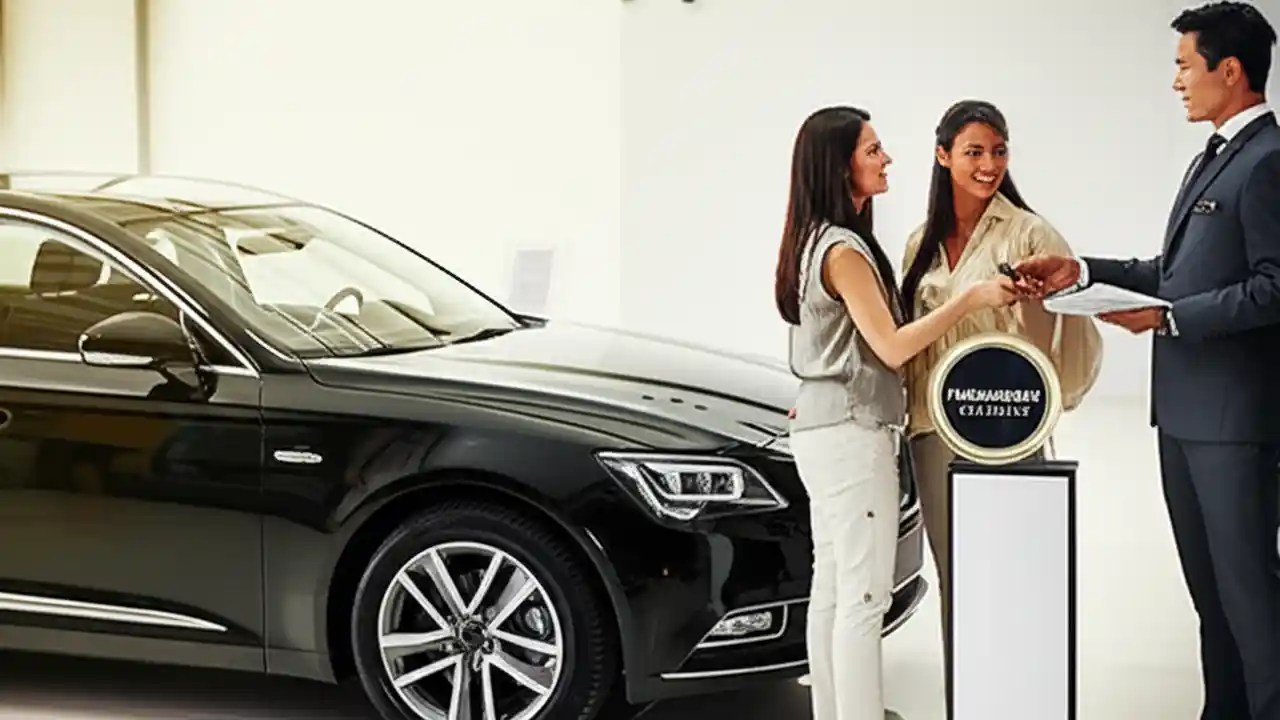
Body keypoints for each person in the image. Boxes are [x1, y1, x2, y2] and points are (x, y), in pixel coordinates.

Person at [1015, 3, 1280, 718]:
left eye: (1185, 66)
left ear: (1231, 71)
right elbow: (1175, 271)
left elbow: (1274, 288)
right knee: (1212, 602)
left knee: (1253, 603)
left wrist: (1169, 318)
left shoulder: (1268, 161)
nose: (1176, 81)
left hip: (1233, 424)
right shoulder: (1213, 158)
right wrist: (1080, 270)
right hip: (1185, 418)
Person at [776, 105, 1018, 720]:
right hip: (852, 435)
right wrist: (969, 300)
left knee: (833, 588)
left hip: (822, 431)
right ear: (840, 165)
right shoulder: (843, 251)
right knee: (863, 599)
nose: (886, 159)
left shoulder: (812, 240)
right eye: (872, 150)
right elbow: (890, 346)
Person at [898, 99, 1104, 671]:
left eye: (999, 151)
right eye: (974, 152)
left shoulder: (1030, 233)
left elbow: (1068, 336)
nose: (989, 164)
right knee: (956, 580)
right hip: (934, 433)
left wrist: (1033, 309)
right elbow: (904, 338)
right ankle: (964, 701)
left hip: (1007, 430)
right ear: (943, 156)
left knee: (1011, 577)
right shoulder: (920, 243)